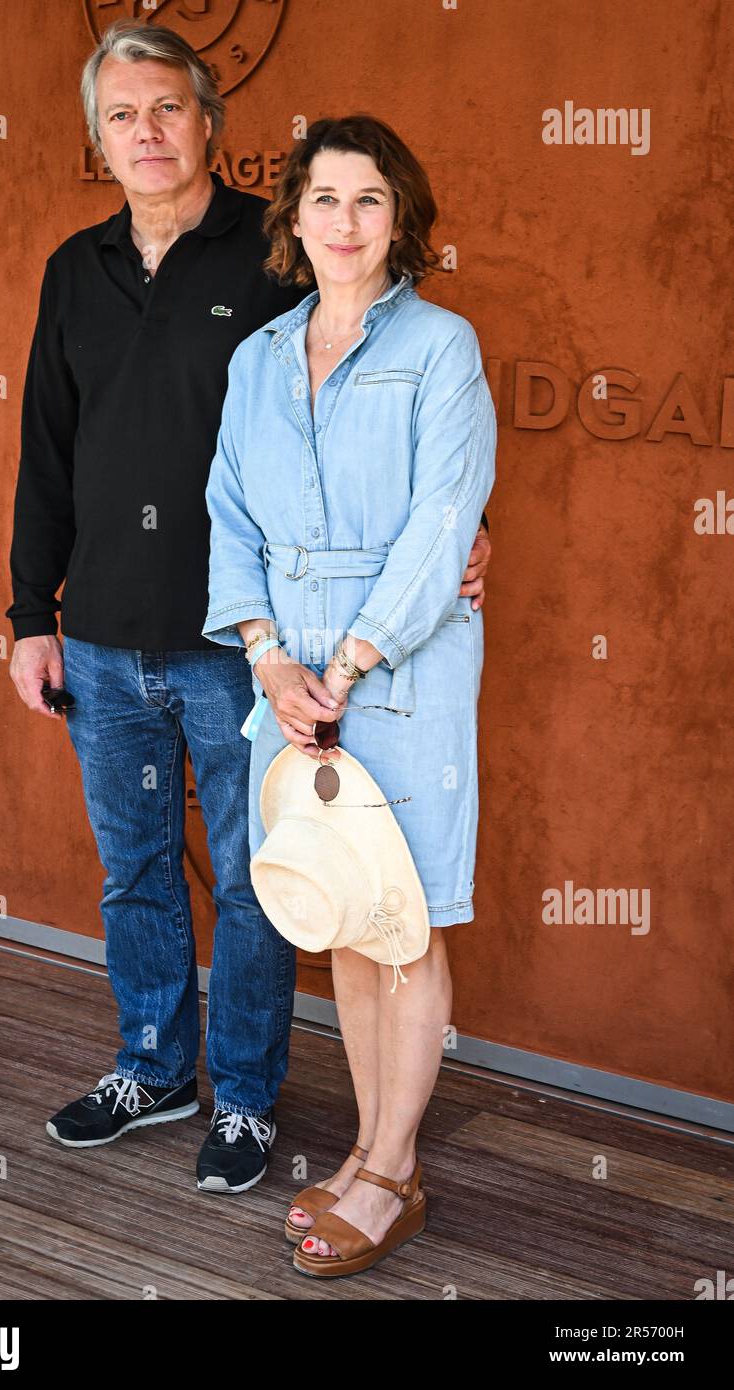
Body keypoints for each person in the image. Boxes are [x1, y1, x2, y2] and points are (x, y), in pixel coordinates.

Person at [6, 22, 491, 1194]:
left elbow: (383, 437)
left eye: (167, 107)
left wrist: (466, 543)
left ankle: (247, 1096)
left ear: (209, 124)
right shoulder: (76, 269)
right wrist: (33, 611)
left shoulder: (279, 256)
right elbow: (46, 452)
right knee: (134, 872)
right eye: (122, 115)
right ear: (97, 138)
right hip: (113, 638)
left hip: (243, 648)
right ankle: (152, 1063)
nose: (147, 132)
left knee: (258, 880)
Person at [203, 114, 495, 1273]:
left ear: (400, 218)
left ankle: (383, 1167)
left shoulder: (441, 347)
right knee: (346, 919)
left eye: (368, 199)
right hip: (289, 671)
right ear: (293, 219)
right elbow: (228, 511)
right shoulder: (257, 357)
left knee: (402, 921)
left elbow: (442, 523)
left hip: (404, 663)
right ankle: (387, 1155)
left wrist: (351, 659)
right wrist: (269, 657)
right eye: (322, 198)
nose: (344, 222)